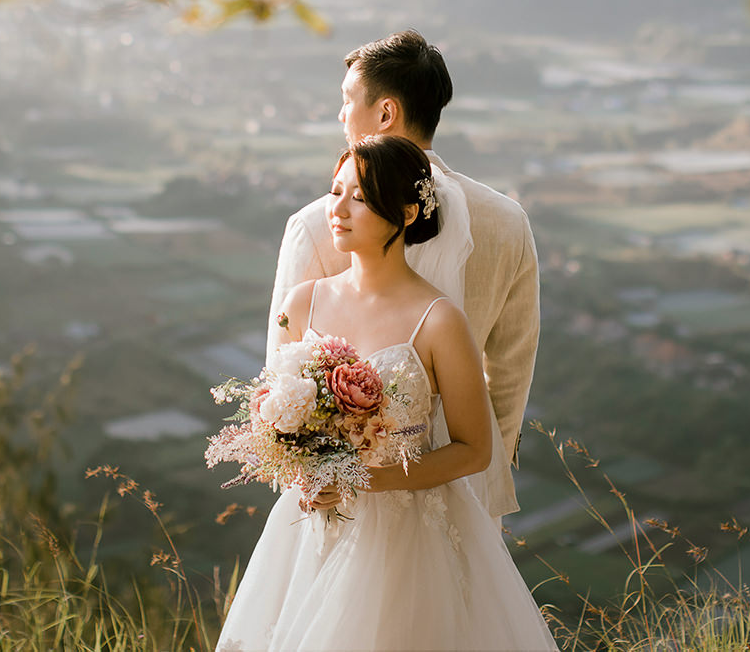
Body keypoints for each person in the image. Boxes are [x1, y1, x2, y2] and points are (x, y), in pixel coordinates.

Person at [217, 136, 558, 652]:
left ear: (405, 211)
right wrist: (307, 471)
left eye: (359, 197)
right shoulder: (302, 302)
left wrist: (365, 480)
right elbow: (276, 415)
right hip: (309, 527)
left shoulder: (439, 319)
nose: (338, 209)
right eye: (335, 191)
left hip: (410, 538)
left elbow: (474, 449)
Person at [267, 31, 539, 522]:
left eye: (347, 101)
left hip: (340, 500)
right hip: (467, 490)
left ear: (386, 113)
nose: (341, 116)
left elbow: (283, 383)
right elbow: (511, 369)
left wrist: (321, 471)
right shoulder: (507, 220)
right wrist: (484, 469)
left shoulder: (317, 222)